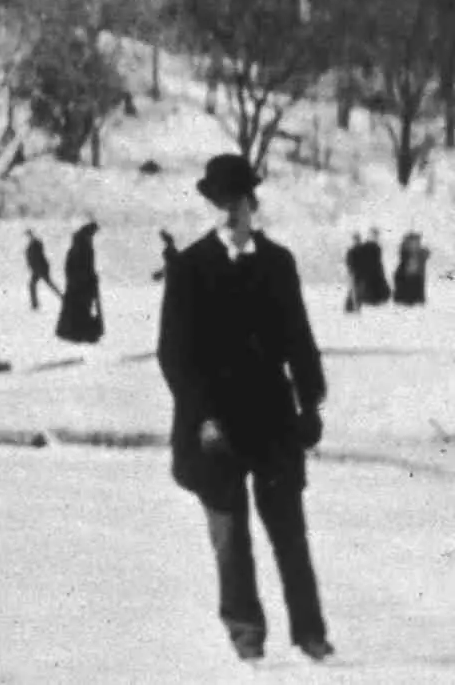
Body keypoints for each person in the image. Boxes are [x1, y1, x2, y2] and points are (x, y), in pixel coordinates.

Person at [158, 154, 333, 664]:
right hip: (212, 422)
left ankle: (311, 633)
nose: (229, 215)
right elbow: (175, 355)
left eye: (236, 204)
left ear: (253, 205)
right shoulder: (189, 268)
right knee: (230, 537)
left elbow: (299, 339)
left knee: (289, 534)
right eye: (219, 206)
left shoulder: (279, 264)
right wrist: (204, 417)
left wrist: (310, 399)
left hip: (272, 418)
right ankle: (246, 633)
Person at [54, 221, 104, 345]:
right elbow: (78, 267)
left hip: (79, 285)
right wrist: (89, 279)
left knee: (79, 309)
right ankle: (79, 333)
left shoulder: (81, 245)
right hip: (80, 285)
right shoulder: (82, 246)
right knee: (80, 310)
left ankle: (77, 333)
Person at [391, 231, 429, 307]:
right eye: (412, 244)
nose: (413, 246)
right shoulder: (405, 255)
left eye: (416, 243)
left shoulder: (420, 254)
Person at [24, 230, 58, 312]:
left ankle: (65, 299)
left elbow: (38, 256)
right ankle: (35, 305)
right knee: (32, 285)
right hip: (37, 269)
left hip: (41, 268)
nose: (28, 236)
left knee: (50, 285)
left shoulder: (36, 243)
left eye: (29, 234)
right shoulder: (33, 244)